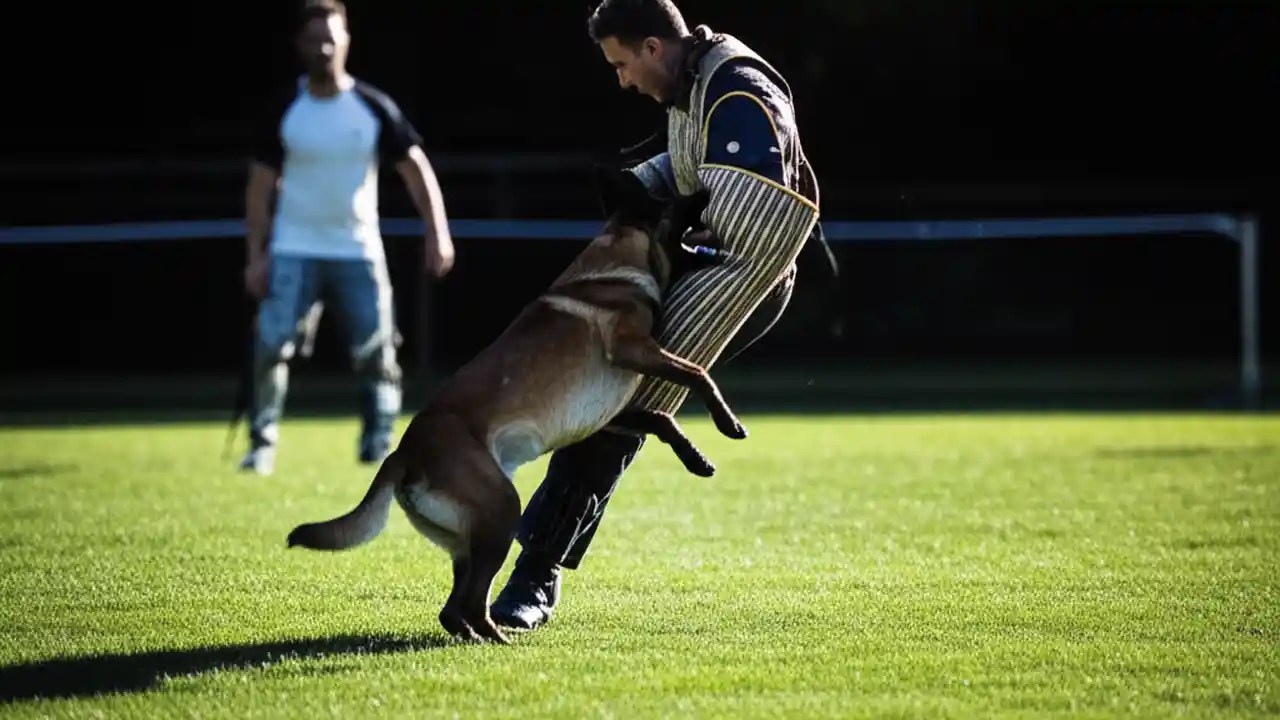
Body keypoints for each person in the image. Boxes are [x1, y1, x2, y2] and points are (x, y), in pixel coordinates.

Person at [491, 0, 823, 631]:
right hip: (704, 262)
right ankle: (541, 554)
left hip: (743, 276)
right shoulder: (693, 87)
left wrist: (664, 242)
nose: (621, 80)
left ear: (652, 47)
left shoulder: (740, 92)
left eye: (621, 64)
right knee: (613, 398)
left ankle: (536, 573)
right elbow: (688, 171)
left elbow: (748, 220)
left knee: (614, 404)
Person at [239, 0, 455, 475]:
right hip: (293, 249)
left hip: (358, 250)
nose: (324, 47)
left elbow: (416, 170)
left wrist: (437, 231)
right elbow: (259, 187)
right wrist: (256, 255)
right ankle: (261, 444)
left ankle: (378, 444)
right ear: (301, 45)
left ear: (346, 42)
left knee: (378, 351)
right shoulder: (284, 109)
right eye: (315, 39)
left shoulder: (372, 107)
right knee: (271, 343)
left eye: (332, 38)